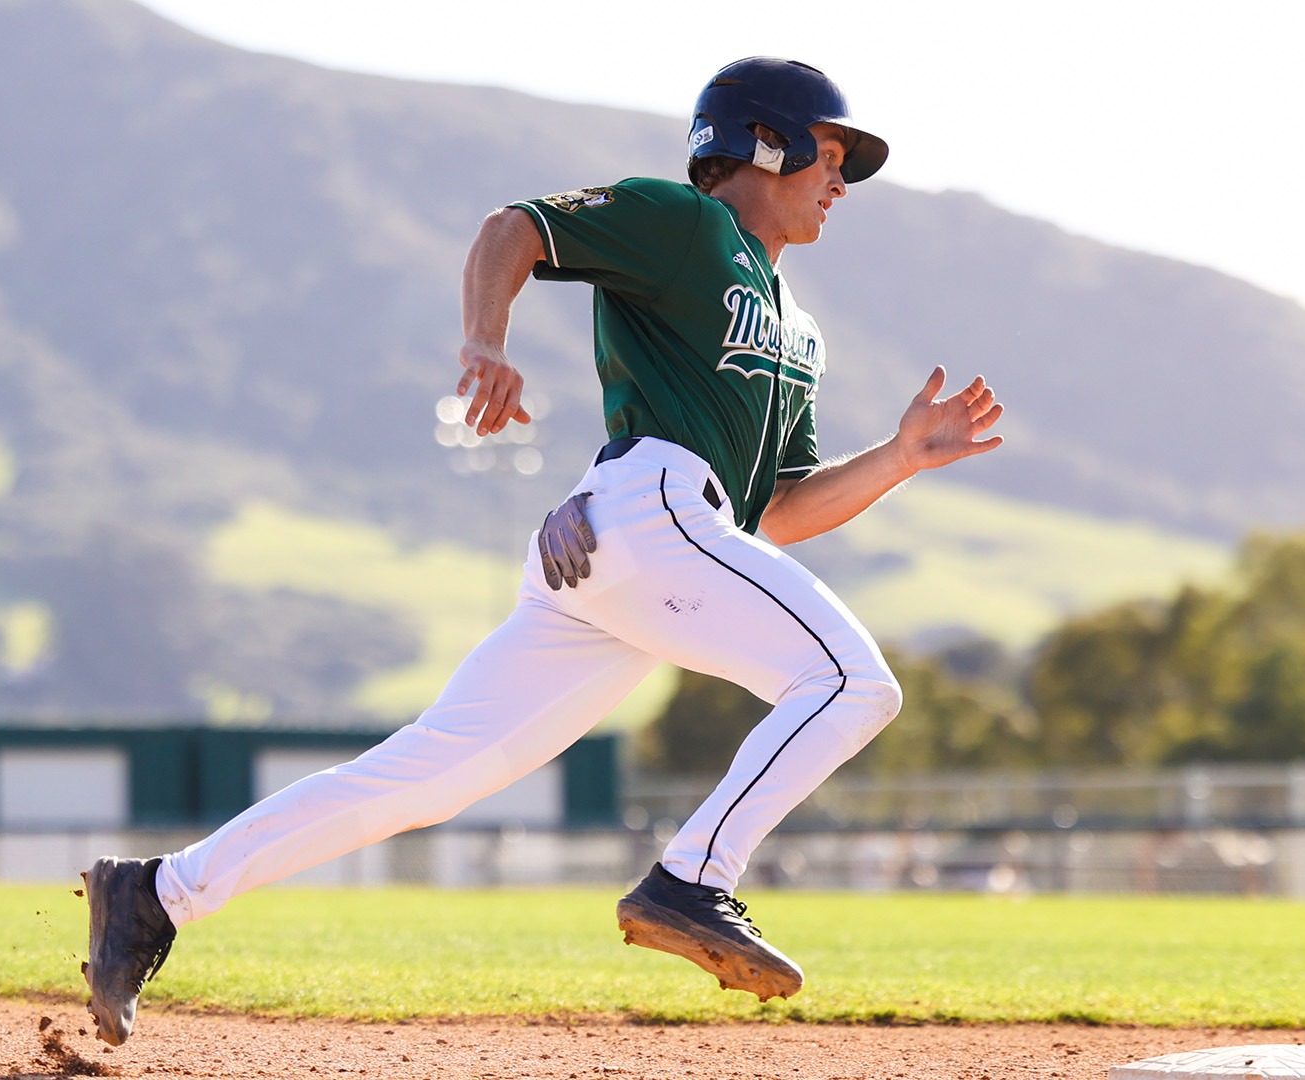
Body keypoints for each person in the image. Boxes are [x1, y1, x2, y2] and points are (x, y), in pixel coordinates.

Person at [79, 56, 1006, 1046]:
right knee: (853, 684)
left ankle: (156, 893)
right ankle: (691, 881)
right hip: (651, 512)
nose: (840, 181)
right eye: (826, 154)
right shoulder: (686, 223)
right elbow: (511, 229)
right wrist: (484, 342)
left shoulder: (799, 330)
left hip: (657, 542)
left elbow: (775, 511)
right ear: (762, 144)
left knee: (428, 775)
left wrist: (900, 457)